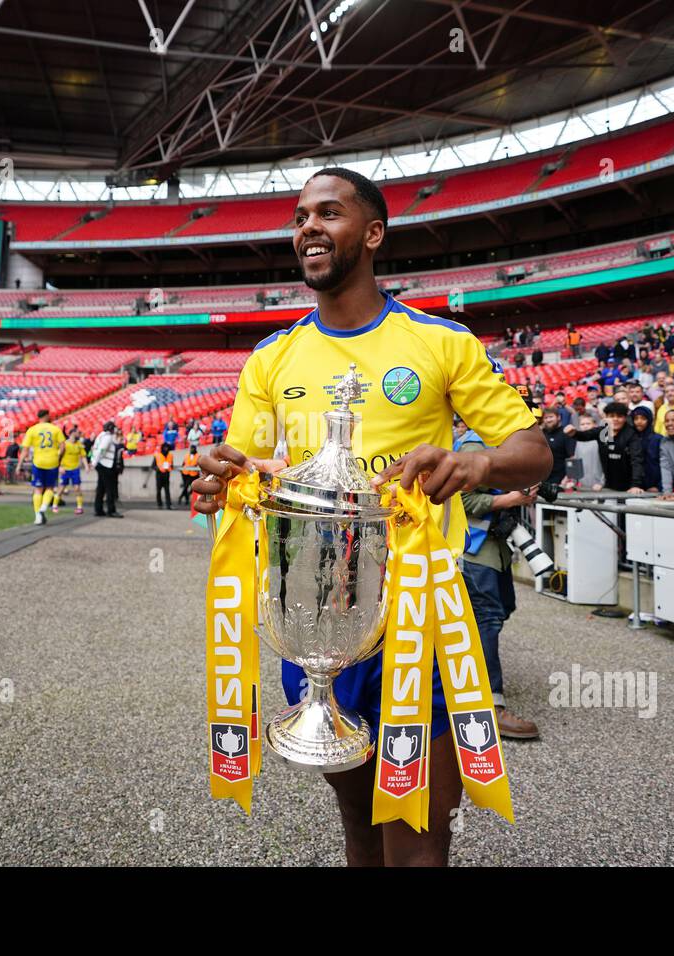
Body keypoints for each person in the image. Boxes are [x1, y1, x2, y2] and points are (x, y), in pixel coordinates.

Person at [191, 167, 550, 868]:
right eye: (299, 216)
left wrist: (477, 465)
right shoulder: (271, 358)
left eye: (329, 212)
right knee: (356, 818)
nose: (308, 228)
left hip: (422, 621)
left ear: (374, 232)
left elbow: (533, 451)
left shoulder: (441, 343)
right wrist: (218, 482)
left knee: (418, 829)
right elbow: (250, 471)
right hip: (316, 621)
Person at [456, 428, 540, 740]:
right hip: (476, 548)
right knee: (488, 618)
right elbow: (461, 499)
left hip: (496, 546)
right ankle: (490, 703)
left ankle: (460, 681)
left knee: (501, 609)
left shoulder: (502, 442)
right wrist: (512, 498)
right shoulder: (473, 444)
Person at [564, 401, 644, 493]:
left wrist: (635, 485)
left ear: (625, 418)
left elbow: (637, 460)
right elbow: (587, 435)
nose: (615, 419)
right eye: (612, 416)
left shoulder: (630, 435)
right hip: (607, 485)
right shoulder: (604, 432)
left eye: (619, 416)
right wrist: (574, 433)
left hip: (628, 487)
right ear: (606, 417)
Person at [19, 409, 65, 525]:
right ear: (47, 416)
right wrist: (59, 458)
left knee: (38, 489)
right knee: (49, 487)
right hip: (52, 461)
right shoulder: (55, 429)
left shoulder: (32, 430)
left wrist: (19, 464)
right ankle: (44, 507)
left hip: (38, 462)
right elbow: (63, 447)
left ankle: (37, 516)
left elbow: (25, 450)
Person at [91, 420, 122, 517]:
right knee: (110, 489)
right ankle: (111, 510)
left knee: (101, 488)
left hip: (101, 464)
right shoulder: (107, 437)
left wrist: (95, 462)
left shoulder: (101, 435)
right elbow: (102, 449)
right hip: (106, 465)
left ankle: (98, 509)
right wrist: (95, 461)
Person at [55, 424, 86, 514]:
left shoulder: (79, 444)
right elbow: (59, 456)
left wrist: (87, 466)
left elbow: (83, 456)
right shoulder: (64, 444)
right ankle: (55, 505)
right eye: (77, 433)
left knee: (77, 488)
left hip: (75, 469)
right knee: (61, 488)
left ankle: (79, 507)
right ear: (72, 433)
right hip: (65, 469)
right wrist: (59, 466)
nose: (79, 434)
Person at [628, 406, 660, 493]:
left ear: (649, 420)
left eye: (643, 418)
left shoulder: (657, 439)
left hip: (654, 487)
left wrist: (659, 486)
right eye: (636, 418)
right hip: (634, 487)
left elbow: (665, 464)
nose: (639, 421)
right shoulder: (630, 438)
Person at [154, 442, 174, 509]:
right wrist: (158, 469)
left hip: (166, 474)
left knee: (167, 490)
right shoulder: (157, 455)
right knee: (158, 490)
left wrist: (170, 466)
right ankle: (159, 504)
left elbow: (172, 465)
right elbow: (153, 466)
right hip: (159, 475)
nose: (166, 449)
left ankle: (168, 505)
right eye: (165, 447)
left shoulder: (170, 455)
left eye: (167, 447)